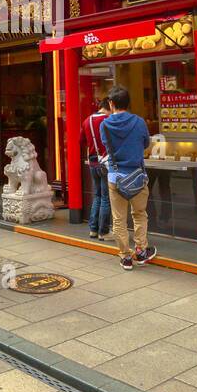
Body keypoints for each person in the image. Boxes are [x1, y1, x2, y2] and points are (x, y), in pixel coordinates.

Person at [101, 85, 156, 271]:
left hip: (115, 177)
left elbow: (107, 147)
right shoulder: (139, 122)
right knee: (139, 215)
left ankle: (125, 257)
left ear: (111, 103)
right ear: (128, 102)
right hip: (137, 175)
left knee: (118, 219)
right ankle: (140, 251)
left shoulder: (105, 125)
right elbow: (146, 143)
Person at [81, 97, 113, 240]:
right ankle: (103, 231)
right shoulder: (107, 120)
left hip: (93, 161)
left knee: (97, 195)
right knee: (106, 197)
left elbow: (80, 141)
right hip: (105, 162)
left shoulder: (86, 120)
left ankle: (93, 229)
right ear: (109, 106)